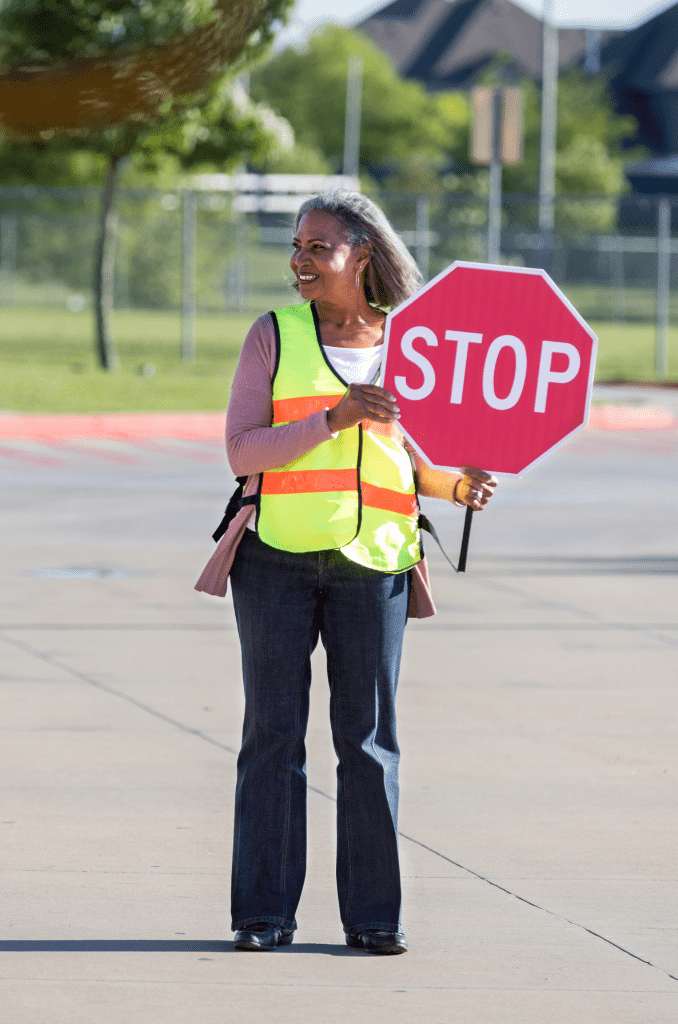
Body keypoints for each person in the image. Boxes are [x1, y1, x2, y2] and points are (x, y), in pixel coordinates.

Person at [194, 190, 497, 955]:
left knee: (367, 743)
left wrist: (458, 487)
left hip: (378, 564)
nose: (300, 259)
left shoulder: (414, 340)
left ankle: (374, 919)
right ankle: (262, 915)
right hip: (277, 563)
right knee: (272, 735)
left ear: (362, 255)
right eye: (296, 245)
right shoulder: (273, 336)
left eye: (318, 246)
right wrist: (333, 418)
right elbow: (242, 452)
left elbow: (413, 464)